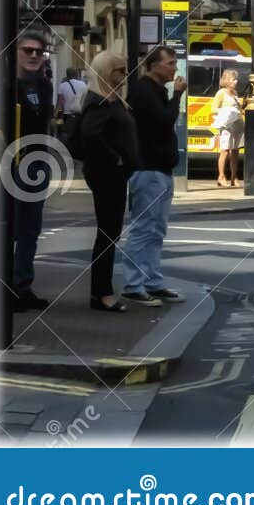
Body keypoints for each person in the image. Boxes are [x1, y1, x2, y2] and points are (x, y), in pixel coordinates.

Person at [121, 46, 187, 307]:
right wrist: (178, 95)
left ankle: (152, 281)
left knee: (157, 230)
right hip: (147, 169)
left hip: (160, 169)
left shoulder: (156, 90)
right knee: (143, 229)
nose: (174, 68)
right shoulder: (143, 91)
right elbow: (164, 119)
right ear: (153, 65)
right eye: (170, 63)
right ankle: (133, 285)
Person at [79, 51, 138, 313]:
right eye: (120, 70)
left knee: (111, 233)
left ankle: (102, 290)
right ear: (105, 72)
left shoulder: (112, 98)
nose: (125, 75)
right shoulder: (99, 101)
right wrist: (116, 159)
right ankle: (101, 293)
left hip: (114, 175)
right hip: (106, 175)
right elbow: (91, 134)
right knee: (107, 233)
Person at [9, 31, 54, 312]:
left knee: (30, 229)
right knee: (7, 227)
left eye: (39, 51)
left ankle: (22, 286)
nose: (34, 55)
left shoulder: (45, 85)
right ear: (15, 53)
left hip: (37, 162)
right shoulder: (3, 84)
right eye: (28, 50)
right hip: (9, 163)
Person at [211, 69, 244, 188]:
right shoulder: (221, 93)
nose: (236, 81)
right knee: (225, 150)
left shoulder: (235, 93)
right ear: (227, 80)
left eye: (236, 79)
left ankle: (234, 177)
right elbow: (213, 109)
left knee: (235, 151)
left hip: (237, 124)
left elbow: (239, 109)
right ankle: (221, 176)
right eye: (233, 79)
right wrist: (227, 111)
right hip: (227, 125)